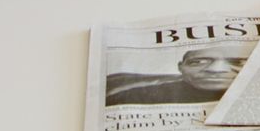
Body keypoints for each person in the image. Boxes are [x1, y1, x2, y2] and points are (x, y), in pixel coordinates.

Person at [106, 40, 252, 106]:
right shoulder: (127, 96)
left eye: (238, 62)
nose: (216, 69)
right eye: (199, 62)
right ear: (180, 67)